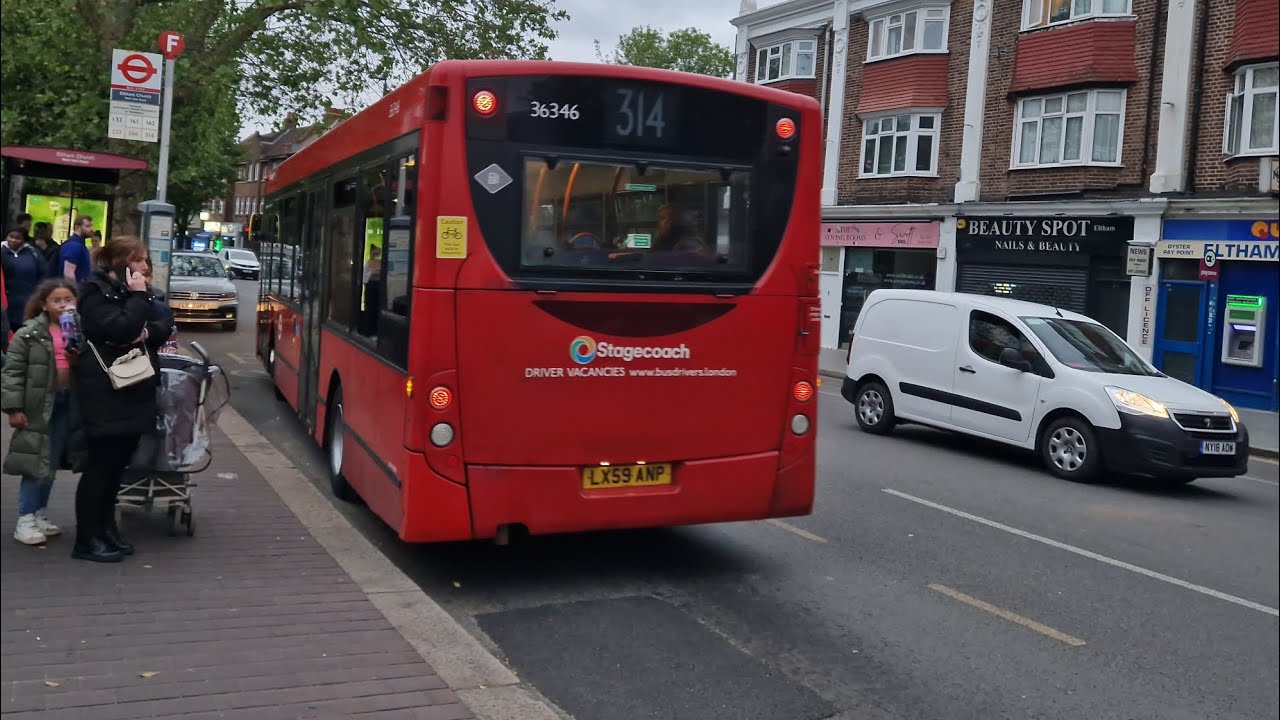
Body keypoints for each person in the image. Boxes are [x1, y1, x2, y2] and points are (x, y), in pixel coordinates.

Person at [73, 236, 168, 562]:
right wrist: (139, 302)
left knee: (117, 467)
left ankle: (106, 529)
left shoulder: (132, 292)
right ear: (117, 262)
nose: (144, 266)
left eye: (144, 259)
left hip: (133, 389)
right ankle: (87, 539)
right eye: (137, 260)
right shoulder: (94, 293)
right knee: (100, 466)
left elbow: (161, 321)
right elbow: (120, 328)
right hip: (105, 390)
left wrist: (149, 332)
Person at [2, 279, 85, 545]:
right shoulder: (29, 333)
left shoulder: (79, 329)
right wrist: (14, 408)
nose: (63, 306)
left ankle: (38, 513)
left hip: (65, 402)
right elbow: (12, 373)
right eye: (57, 301)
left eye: (68, 300)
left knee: (50, 463)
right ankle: (24, 519)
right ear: (44, 305)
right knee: (34, 461)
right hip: (37, 404)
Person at [3, 228, 49, 330]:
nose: (13, 240)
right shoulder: (2, 251)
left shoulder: (34, 253)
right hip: (6, 301)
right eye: (11, 237)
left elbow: (43, 275)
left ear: (24, 240)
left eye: (18, 238)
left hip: (27, 300)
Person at [59, 215, 94, 286]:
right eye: (87, 226)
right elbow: (68, 273)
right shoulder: (74, 245)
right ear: (77, 227)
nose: (91, 229)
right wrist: (75, 292)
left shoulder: (79, 245)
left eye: (92, 226)